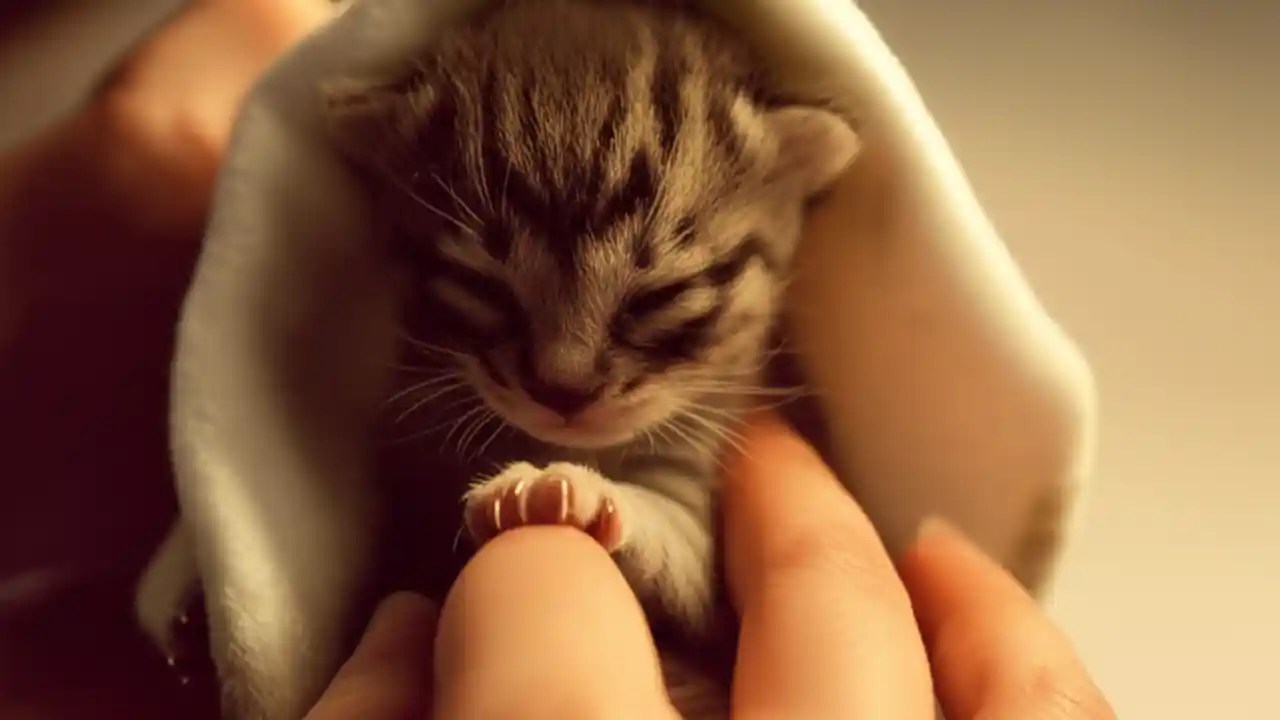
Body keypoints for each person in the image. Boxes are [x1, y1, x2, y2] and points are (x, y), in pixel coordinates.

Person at [0, 2, 1115, 718]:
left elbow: (696, 544)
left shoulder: (731, 427)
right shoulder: (388, 362)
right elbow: (290, 484)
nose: (562, 370)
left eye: (667, 298)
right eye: (481, 290)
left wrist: (619, 517)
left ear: (794, 184)